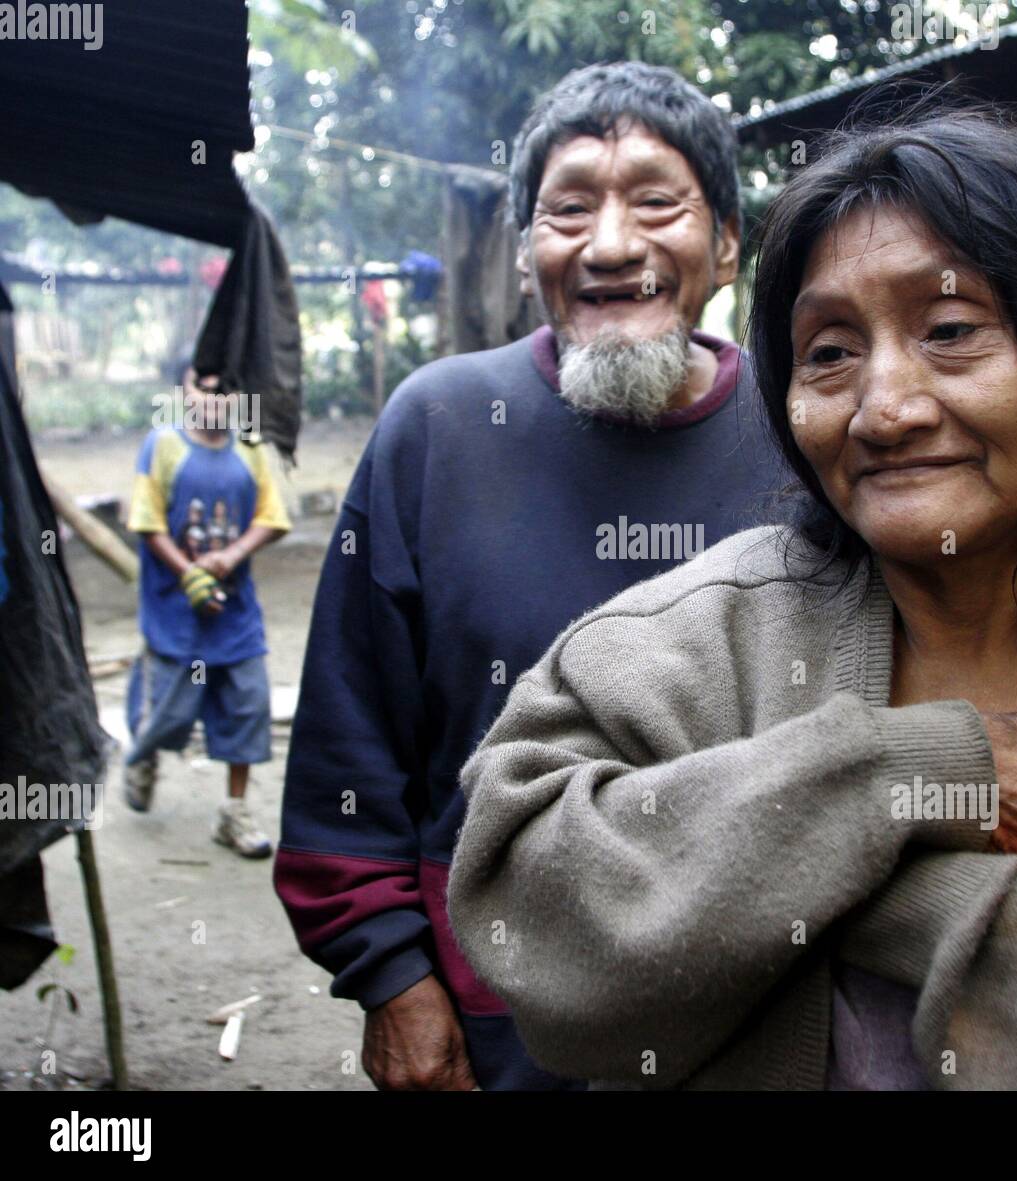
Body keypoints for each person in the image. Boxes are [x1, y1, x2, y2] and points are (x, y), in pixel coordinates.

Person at [447, 102, 1017, 1090]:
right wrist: (899, 776)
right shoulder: (685, 636)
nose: (885, 407)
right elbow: (531, 916)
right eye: (828, 352)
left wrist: (858, 883)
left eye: (949, 331)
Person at [273, 61, 787, 1091]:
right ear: (523, 258)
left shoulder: (805, 434)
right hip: (491, 1017)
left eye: (655, 202)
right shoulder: (436, 427)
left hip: (759, 1013)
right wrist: (392, 978)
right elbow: (348, 727)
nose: (609, 244)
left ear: (726, 244)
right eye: (567, 210)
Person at [124, 367, 290, 858]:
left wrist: (229, 557)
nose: (214, 401)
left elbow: (273, 517)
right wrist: (189, 573)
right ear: (183, 393)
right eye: (203, 389)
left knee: (248, 707)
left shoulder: (252, 447)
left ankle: (233, 813)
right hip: (175, 614)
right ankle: (144, 753)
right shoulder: (162, 445)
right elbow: (146, 522)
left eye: (226, 392)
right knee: (169, 713)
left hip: (234, 614)